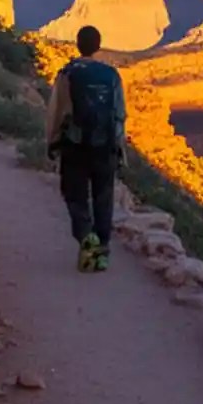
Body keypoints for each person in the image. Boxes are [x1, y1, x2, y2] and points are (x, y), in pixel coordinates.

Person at [46, 26, 127, 272]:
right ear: (98, 45)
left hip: (75, 146)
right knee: (103, 199)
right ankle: (101, 252)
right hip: (105, 147)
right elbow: (120, 115)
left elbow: (56, 112)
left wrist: (51, 142)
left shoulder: (68, 74)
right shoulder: (112, 75)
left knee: (74, 195)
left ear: (77, 44)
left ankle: (84, 235)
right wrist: (120, 149)